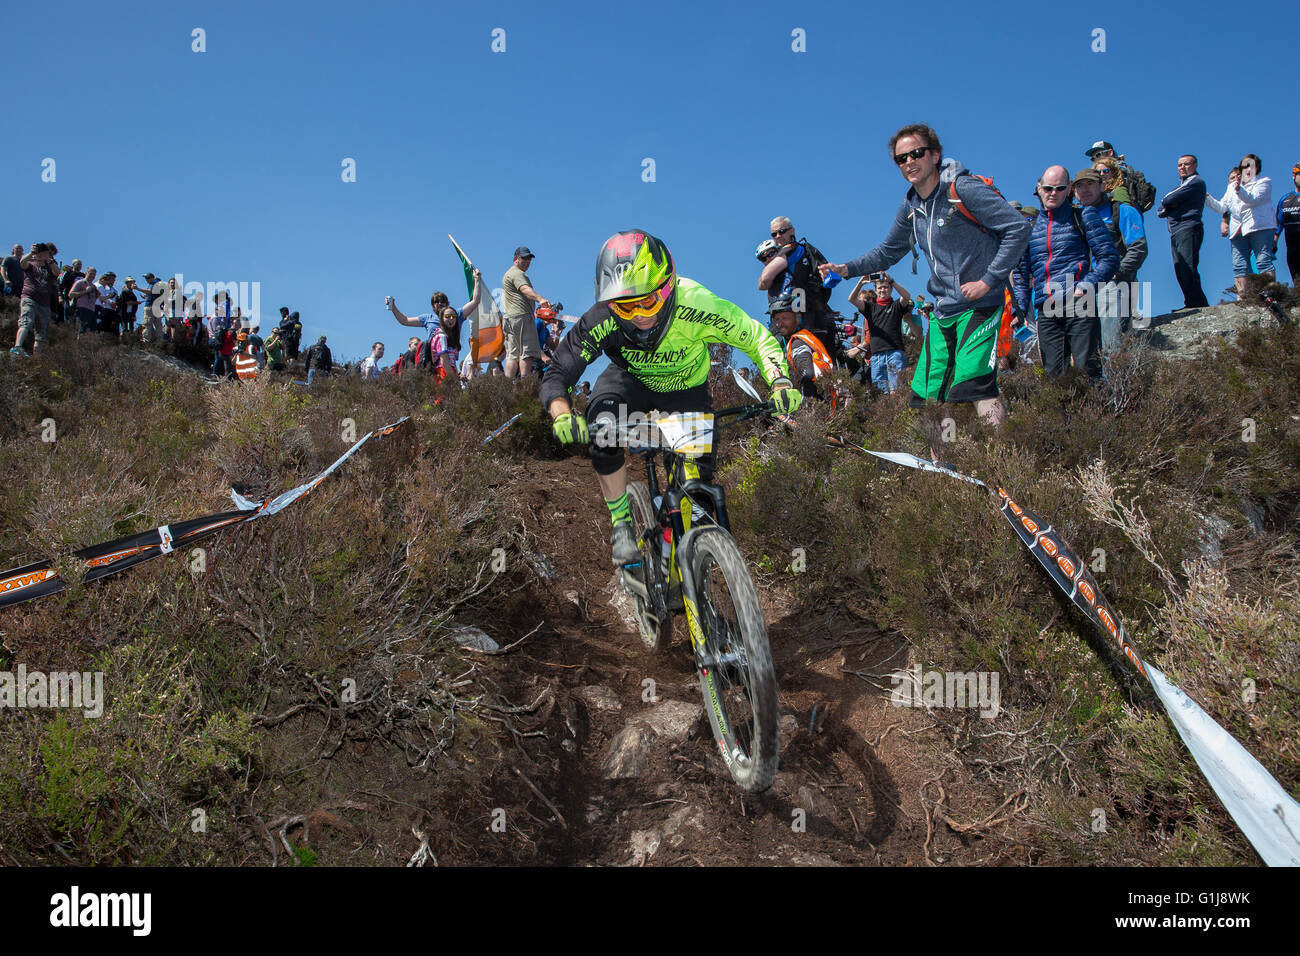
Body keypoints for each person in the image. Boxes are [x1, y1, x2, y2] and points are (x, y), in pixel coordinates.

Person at [541, 230, 799, 566]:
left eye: (647, 301)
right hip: (628, 381)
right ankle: (621, 523)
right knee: (602, 426)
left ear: (668, 286)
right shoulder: (602, 319)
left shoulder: (696, 303)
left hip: (685, 391)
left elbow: (755, 337)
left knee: (697, 485)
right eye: (625, 306)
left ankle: (677, 545)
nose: (638, 315)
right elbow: (560, 370)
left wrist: (779, 383)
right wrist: (561, 413)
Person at [819, 124, 1031, 425]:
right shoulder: (911, 207)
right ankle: (942, 465)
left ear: (935, 155)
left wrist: (988, 280)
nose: (909, 162)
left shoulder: (964, 190)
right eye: (901, 158)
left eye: (916, 153)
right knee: (929, 396)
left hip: (980, 305)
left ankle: (1002, 461)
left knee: (976, 385)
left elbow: (1018, 228)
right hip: (944, 311)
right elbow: (888, 251)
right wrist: (847, 269)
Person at [1012, 166, 1119, 383]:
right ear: (1039, 188)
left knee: (1086, 371)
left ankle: (1096, 415)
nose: (1053, 193)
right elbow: (1022, 276)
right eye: (1049, 188)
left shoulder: (1084, 216)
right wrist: (1020, 309)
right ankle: (1063, 418)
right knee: (1054, 377)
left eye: (1060, 188)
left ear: (1069, 189)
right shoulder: (1029, 230)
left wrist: (1086, 285)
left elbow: (1110, 258)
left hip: (1079, 301)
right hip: (1046, 307)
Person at [1072, 168, 1148, 347]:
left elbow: (1138, 248)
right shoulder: (1072, 217)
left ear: (1103, 185)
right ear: (1074, 191)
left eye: (1090, 184)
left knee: (1110, 341)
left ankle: (1115, 370)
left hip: (1114, 284)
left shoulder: (1122, 211)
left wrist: (1117, 272)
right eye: (1079, 186)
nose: (1085, 189)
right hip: (1079, 287)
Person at [757, 217, 837, 354]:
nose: (778, 236)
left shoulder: (791, 249)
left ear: (792, 231)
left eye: (781, 231)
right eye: (774, 234)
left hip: (791, 309)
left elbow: (764, 280)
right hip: (801, 309)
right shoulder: (799, 251)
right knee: (802, 351)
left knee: (784, 353)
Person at [386, 267, 482, 372]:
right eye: (436, 301)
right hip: (433, 362)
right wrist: (393, 307)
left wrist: (477, 280)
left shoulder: (455, 314)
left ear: (447, 303)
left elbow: (475, 301)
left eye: (442, 301)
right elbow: (405, 320)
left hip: (450, 359)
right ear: (433, 305)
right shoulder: (428, 318)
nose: (439, 303)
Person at [1206, 154, 1276, 297]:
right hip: (1237, 229)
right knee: (1239, 265)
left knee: (1263, 261)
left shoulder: (1264, 182)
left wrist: (1239, 190)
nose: (1247, 169)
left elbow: (1253, 200)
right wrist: (1206, 197)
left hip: (1259, 226)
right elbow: (1222, 207)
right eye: (1244, 166)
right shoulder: (1232, 186)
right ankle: (1245, 298)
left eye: (1251, 166)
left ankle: (1271, 295)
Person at [846, 272, 920, 394]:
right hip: (876, 357)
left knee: (896, 391)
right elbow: (852, 299)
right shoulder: (870, 308)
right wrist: (861, 283)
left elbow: (906, 296)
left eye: (886, 287)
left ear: (891, 289)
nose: (883, 290)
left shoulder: (896, 305)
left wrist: (892, 281)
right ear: (876, 290)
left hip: (894, 353)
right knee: (879, 393)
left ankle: (898, 413)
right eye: (880, 288)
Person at [1157, 155, 1210, 309]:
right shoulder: (1181, 186)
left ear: (1195, 165)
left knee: (1187, 267)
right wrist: (1172, 204)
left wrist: (1172, 204)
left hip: (1188, 227)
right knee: (1180, 268)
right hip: (1176, 230)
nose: (1182, 167)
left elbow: (1166, 201)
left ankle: (1197, 303)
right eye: (1179, 165)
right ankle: (1193, 302)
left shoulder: (1196, 182)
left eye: (1186, 164)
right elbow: (1160, 211)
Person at [767, 294, 833, 400]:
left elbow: (807, 373)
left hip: (809, 404)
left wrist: (786, 383)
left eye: (784, 318)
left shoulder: (797, 342)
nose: (779, 324)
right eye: (777, 319)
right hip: (820, 402)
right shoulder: (805, 337)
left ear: (798, 318)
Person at [502, 247, 550, 378]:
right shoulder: (518, 274)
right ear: (515, 259)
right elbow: (524, 289)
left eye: (529, 259)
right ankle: (525, 383)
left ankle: (507, 384)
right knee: (526, 352)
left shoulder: (509, 273)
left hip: (510, 318)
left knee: (512, 354)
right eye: (523, 258)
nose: (527, 261)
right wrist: (540, 299)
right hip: (522, 316)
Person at [11, 243, 58, 356]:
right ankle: (17, 347)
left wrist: (49, 260)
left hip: (44, 302)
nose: (41, 255)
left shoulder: (49, 266)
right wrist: (31, 253)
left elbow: (56, 272)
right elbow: (22, 263)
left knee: (41, 333)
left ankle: (36, 360)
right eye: (39, 252)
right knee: (26, 322)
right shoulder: (30, 264)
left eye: (44, 252)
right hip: (29, 297)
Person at [1276, 163, 1300, 287]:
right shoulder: (1284, 200)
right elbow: (1279, 224)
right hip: (1291, 247)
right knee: (1296, 279)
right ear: (1293, 176)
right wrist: (1274, 242)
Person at [68, 267, 100, 334]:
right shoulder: (80, 282)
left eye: (94, 274)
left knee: (92, 331)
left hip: (91, 309)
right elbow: (71, 295)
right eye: (91, 273)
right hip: (81, 308)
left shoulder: (94, 286)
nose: (92, 276)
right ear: (86, 273)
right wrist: (85, 291)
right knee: (81, 329)